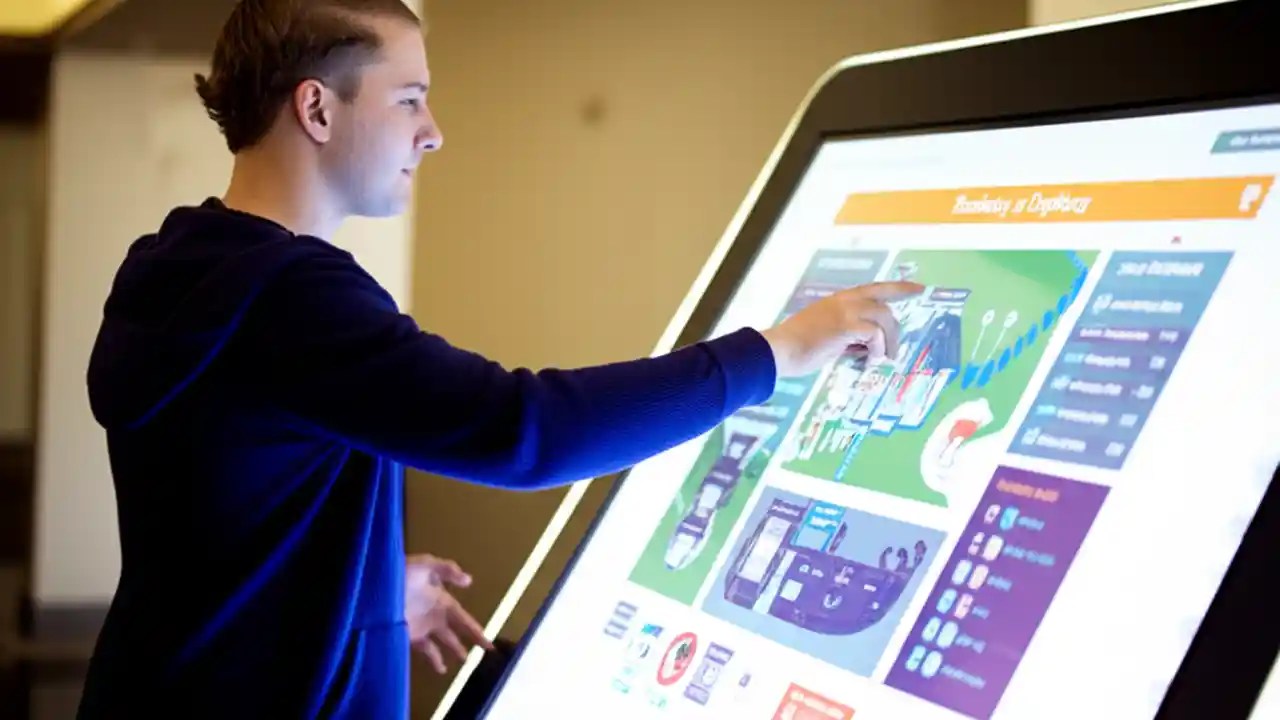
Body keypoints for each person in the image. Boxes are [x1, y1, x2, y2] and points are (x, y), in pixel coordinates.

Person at [76, 0, 922, 718]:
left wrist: (364, 589)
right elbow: (524, 432)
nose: (433, 133)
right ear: (318, 110)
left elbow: (217, 537)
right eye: (409, 100)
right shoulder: (292, 296)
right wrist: (772, 355)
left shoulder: (183, 268)